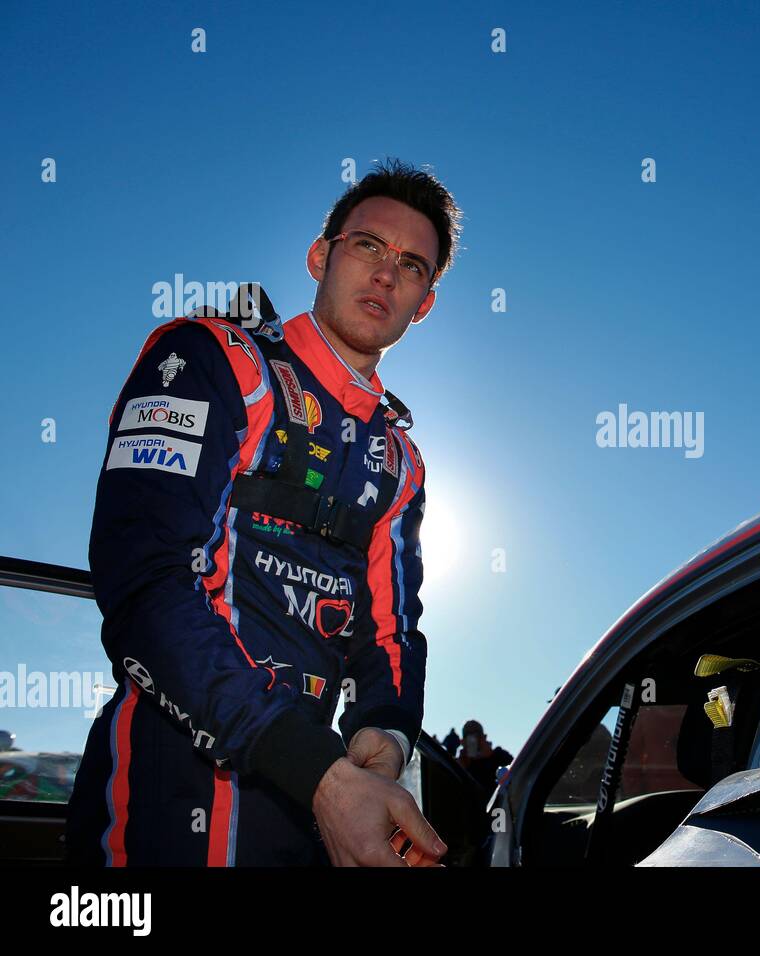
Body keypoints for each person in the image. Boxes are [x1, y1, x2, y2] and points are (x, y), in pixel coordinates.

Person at [65, 159, 462, 866]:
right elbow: (146, 584)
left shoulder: (401, 460)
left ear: (423, 302)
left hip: (318, 798)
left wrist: (387, 733)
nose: (385, 273)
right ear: (321, 255)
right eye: (367, 245)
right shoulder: (212, 357)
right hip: (170, 785)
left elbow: (393, 630)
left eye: (412, 265)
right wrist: (313, 769)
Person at [456, 720, 513, 794]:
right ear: (463, 742)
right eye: (469, 736)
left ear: (484, 737)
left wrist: (490, 757)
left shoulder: (501, 757)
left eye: (477, 735)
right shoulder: (460, 765)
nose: (474, 740)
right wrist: (461, 767)